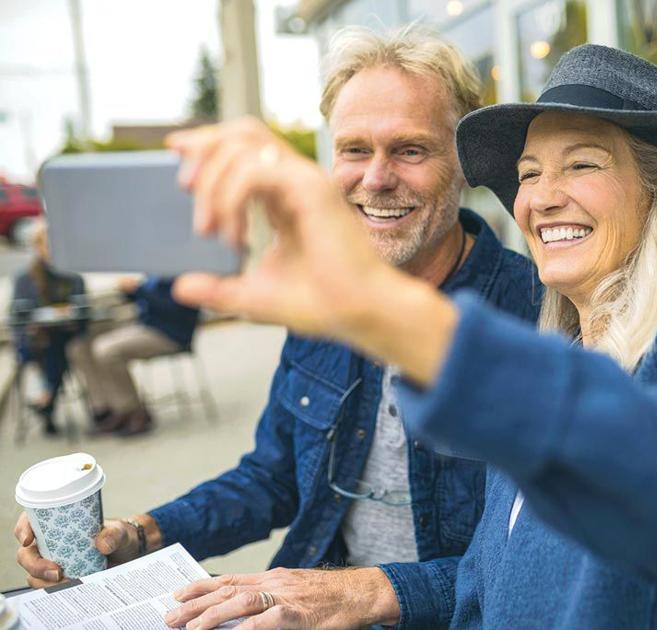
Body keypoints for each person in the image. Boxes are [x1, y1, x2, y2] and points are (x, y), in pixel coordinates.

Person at [144, 45, 657, 629]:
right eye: (528, 175)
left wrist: (386, 312)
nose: (541, 198)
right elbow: (483, 586)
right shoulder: (558, 345)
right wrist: (147, 533)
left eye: (581, 165)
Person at [14, 25, 538, 624]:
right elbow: (273, 477)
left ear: (463, 160)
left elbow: (533, 560)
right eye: (355, 150)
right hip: (307, 603)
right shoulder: (320, 302)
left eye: (410, 150)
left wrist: (362, 593)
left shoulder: (537, 312)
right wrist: (138, 534)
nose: (376, 178)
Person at [69, 274, 200, 436]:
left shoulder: (179, 273)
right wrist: (129, 292)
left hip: (170, 334)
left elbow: (172, 308)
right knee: (81, 346)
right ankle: (105, 408)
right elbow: (146, 300)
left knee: (107, 350)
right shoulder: (154, 272)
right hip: (147, 326)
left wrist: (138, 290)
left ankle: (133, 411)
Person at [8, 221, 86, 435]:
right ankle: (47, 399)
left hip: (63, 337)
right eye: (46, 244)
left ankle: (45, 399)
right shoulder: (25, 278)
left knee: (56, 346)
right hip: (33, 341)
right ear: (38, 247)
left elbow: (82, 311)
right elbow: (17, 314)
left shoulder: (72, 277)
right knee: (50, 347)